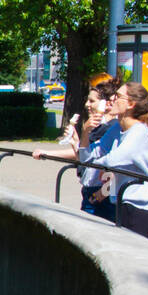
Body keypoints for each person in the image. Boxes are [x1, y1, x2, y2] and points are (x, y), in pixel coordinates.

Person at [73, 80, 148, 238]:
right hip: (121, 202)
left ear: (131, 104)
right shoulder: (117, 128)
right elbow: (88, 157)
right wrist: (86, 132)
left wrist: (96, 166)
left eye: (118, 96)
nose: (112, 98)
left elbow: (113, 160)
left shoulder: (139, 132)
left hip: (138, 206)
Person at [33, 79, 120, 221]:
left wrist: (101, 194)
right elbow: (84, 158)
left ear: (107, 103)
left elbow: (117, 166)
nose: (87, 105)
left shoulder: (112, 128)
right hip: (90, 192)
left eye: (92, 101)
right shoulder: (97, 127)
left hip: (100, 194)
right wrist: (77, 140)